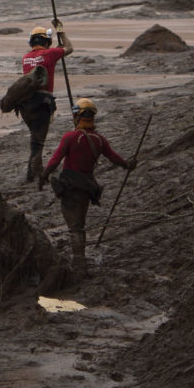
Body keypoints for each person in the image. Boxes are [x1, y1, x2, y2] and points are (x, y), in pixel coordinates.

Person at [42, 97, 134, 275]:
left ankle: (79, 265)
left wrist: (44, 176)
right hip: (87, 188)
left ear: (77, 117)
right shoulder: (100, 140)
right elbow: (114, 158)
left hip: (70, 188)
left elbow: (55, 161)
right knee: (80, 225)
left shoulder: (71, 137)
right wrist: (128, 165)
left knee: (74, 227)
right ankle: (80, 260)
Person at [14, 22, 69, 186]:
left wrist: (56, 49)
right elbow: (70, 48)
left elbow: (44, 58)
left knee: (35, 137)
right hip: (42, 104)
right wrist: (62, 31)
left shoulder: (26, 58)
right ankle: (33, 174)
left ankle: (34, 170)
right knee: (38, 142)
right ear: (47, 42)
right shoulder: (50, 54)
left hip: (25, 105)